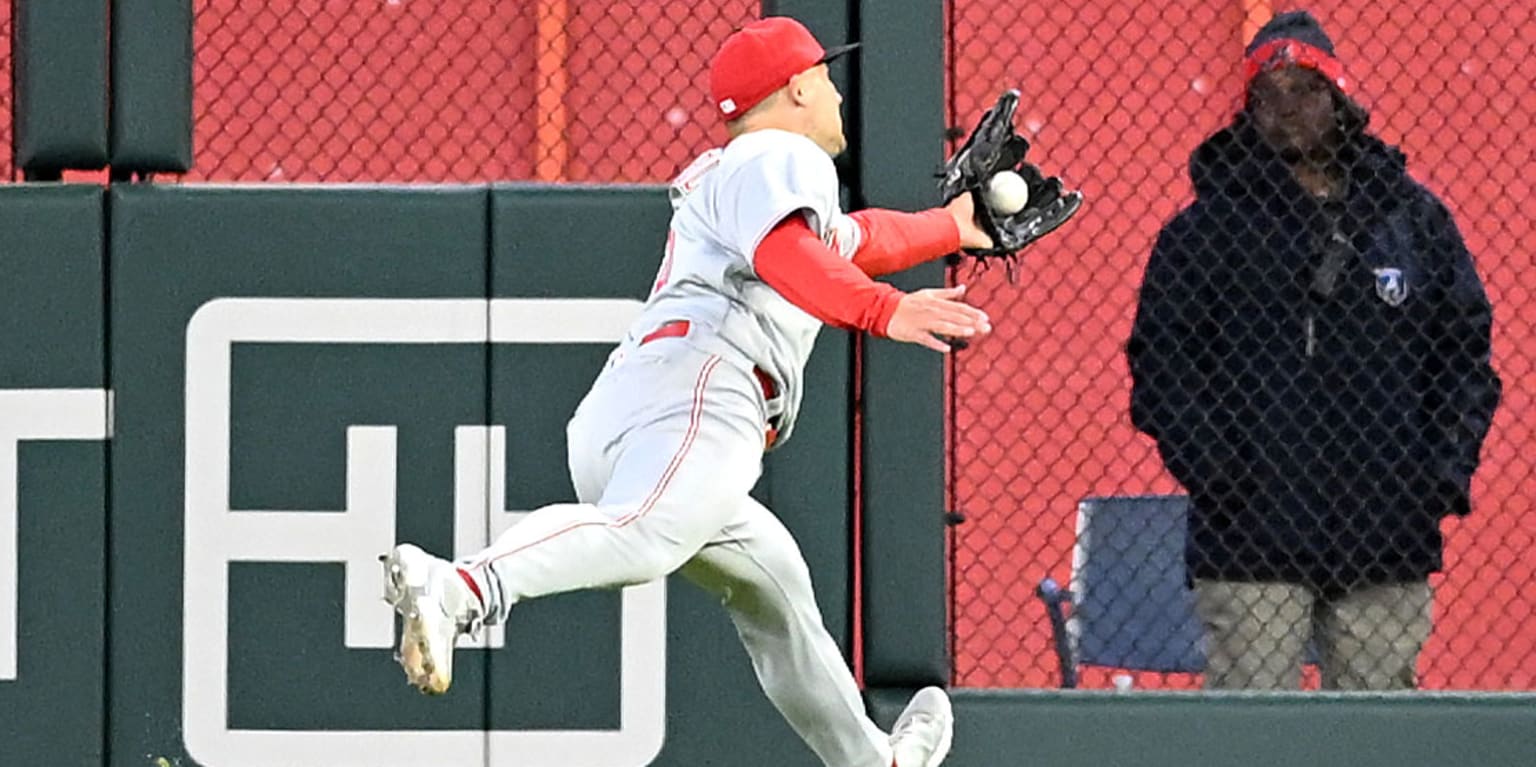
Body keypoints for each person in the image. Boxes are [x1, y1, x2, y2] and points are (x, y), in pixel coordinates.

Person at [381, 16, 994, 767]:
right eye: (825, 78)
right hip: (707, 386)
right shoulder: (780, 153)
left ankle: (875, 760)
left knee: (776, 588)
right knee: (642, 536)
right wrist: (886, 309)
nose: (834, 92)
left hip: (640, 405)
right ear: (797, 87)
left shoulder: (746, 171)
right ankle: (460, 588)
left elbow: (857, 240)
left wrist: (952, 226)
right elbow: (788, 255)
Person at [1126, 10, 1501, 691]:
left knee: (1379, 730)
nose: (1286, 108)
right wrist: (1219, 473)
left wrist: (1438, 476)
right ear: (1247, 110)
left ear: (1339, 97)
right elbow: (1161, 364)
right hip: (1251, 535)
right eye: (1266, 94)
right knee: (1250, 731)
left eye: (1304, 89)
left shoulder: (1411, 220)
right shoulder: (1205, 231)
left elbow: (1465, 353)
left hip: (1386, 530)